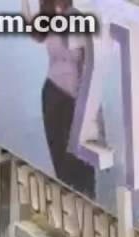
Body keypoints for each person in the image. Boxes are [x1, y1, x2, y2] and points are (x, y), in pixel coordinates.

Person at [22, 0, 94, 196]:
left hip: (77, 101)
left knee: (82, 167)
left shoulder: (80, 16)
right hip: (53, 95)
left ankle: (85, 207)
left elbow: (90, 64)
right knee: (62, 166)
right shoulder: (47, 17)